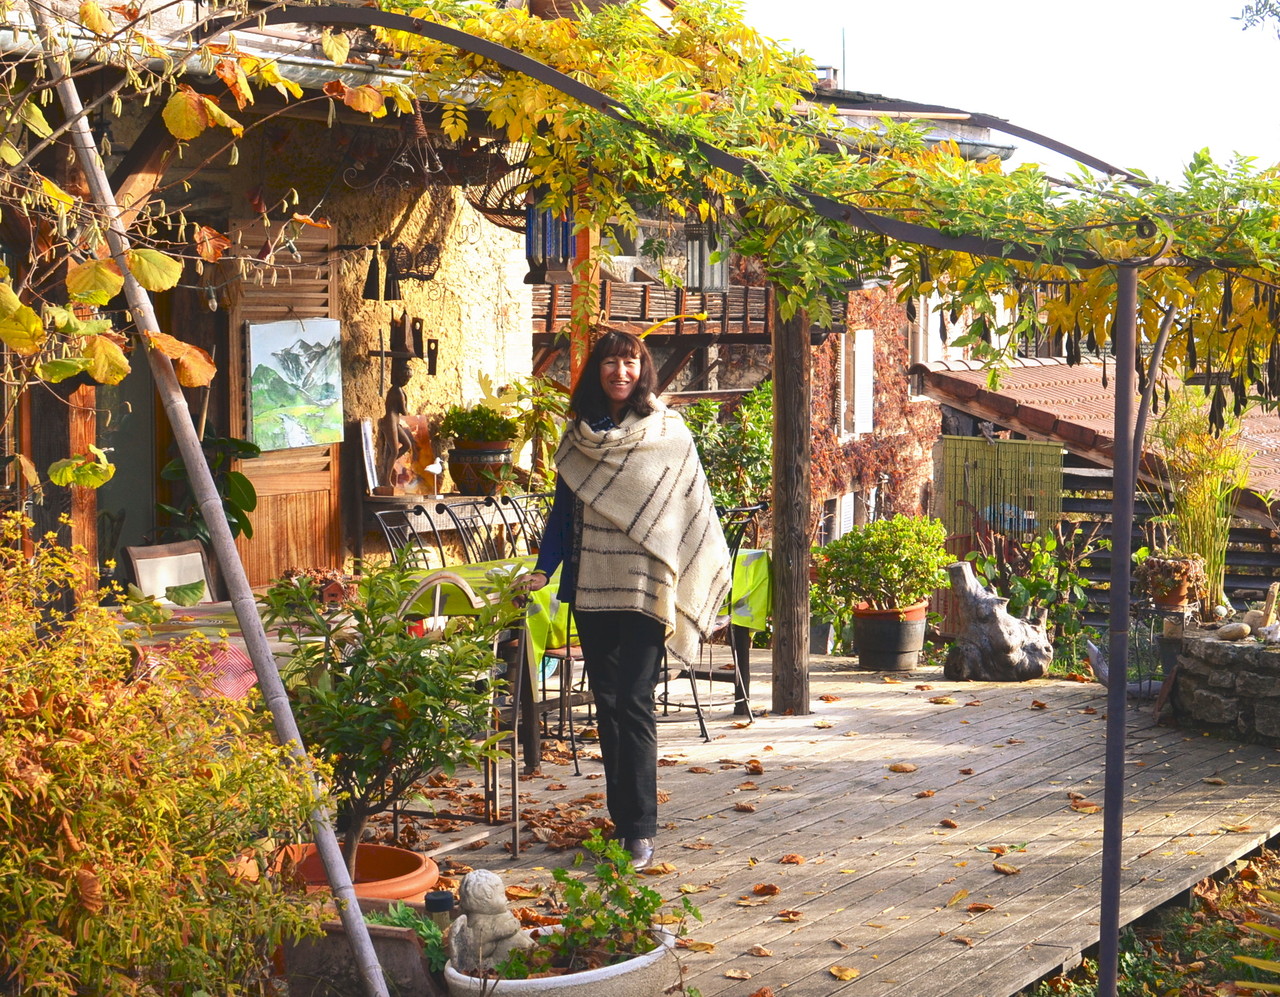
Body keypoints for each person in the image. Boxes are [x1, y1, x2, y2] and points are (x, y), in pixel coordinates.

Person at [516, 329, 731, 871]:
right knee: (608, 707)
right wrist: (545, 569)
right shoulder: (579, 437)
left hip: (644, 588)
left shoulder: (667, 433)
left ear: (643, 370)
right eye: (611, 362)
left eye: (630, 363)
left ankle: (640, 830)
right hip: (591, 584)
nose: (620, 372)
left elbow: (690, 512)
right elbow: (565, 512)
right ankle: (622, 823)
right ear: (597, 370)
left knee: (633, 704)